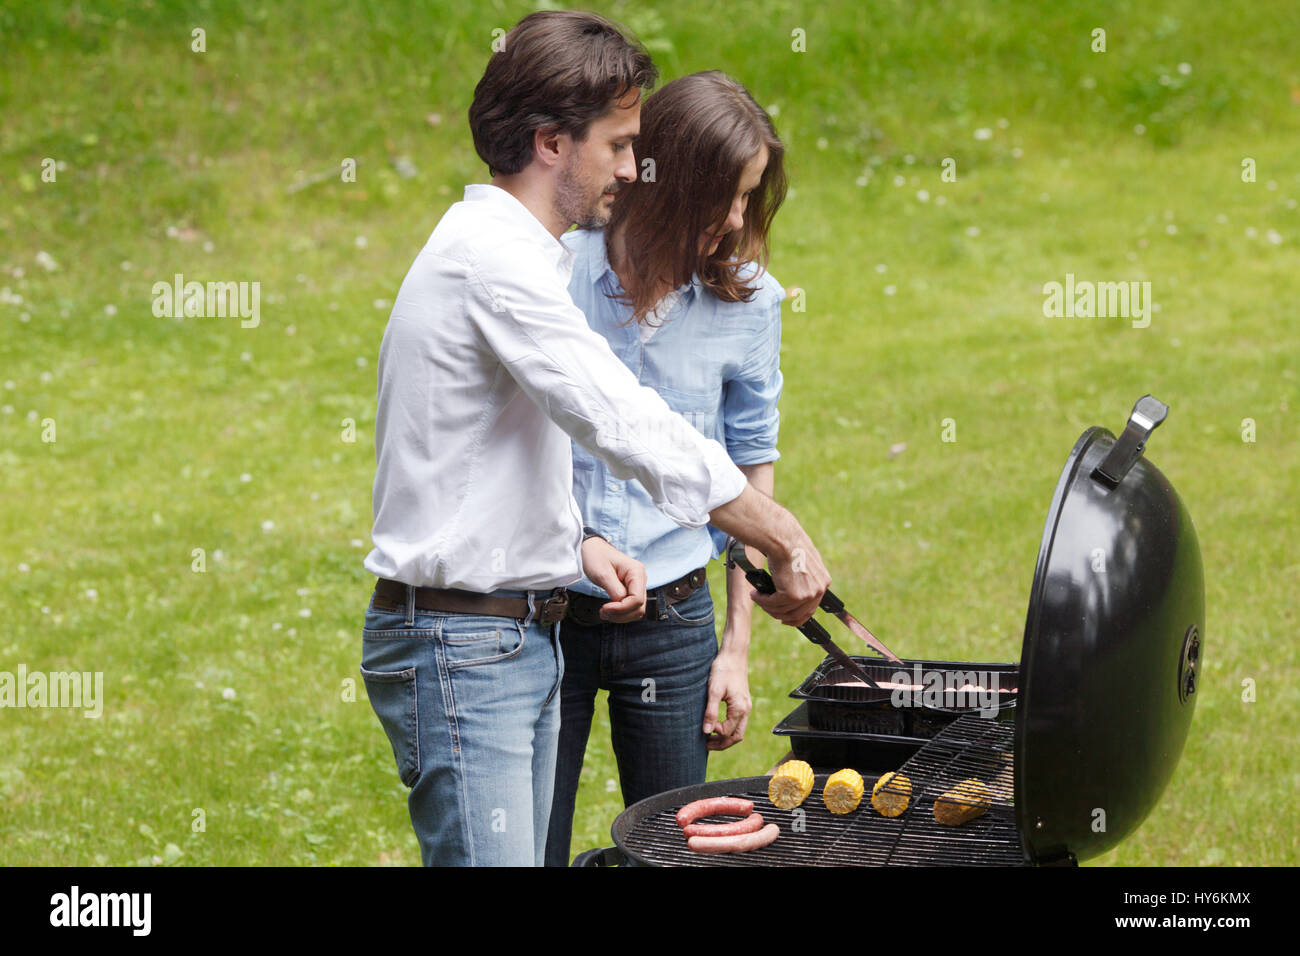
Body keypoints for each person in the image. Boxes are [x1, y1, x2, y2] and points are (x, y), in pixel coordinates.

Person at [360, 11, 830, 867]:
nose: (631, 167)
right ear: (550, 142)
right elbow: (617, 417)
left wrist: (577, 543)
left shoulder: (515, 254)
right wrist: (783, 535)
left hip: (509, 633)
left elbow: (516, 451)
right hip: (465, 643)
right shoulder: (498, 263)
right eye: (618, 144)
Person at [545, 72, 790, 866]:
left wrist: (736, 650)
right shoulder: (553, 278)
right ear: (658, 178)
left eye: (749, 199)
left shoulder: (750, 305)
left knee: (681, 856)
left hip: (677, 626)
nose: (734, 222)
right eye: (720, 195)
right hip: (545, 617)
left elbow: (751, 472)